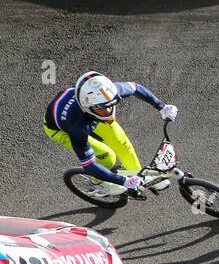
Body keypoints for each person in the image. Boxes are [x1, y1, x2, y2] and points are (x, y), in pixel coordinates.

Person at [44, 72, 178, 197]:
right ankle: (97, 183)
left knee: (122, 143)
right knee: (107, 157)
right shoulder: (77, 127)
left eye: (111, 105)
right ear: (89, 107)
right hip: (61, 129)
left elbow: (136, 88)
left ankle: (140, 177)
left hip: (89, 114)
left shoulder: (105, 94)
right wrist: (124, 181)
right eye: (103, 109)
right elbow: (89, 165)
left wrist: (162, 107)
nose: (109, 111)